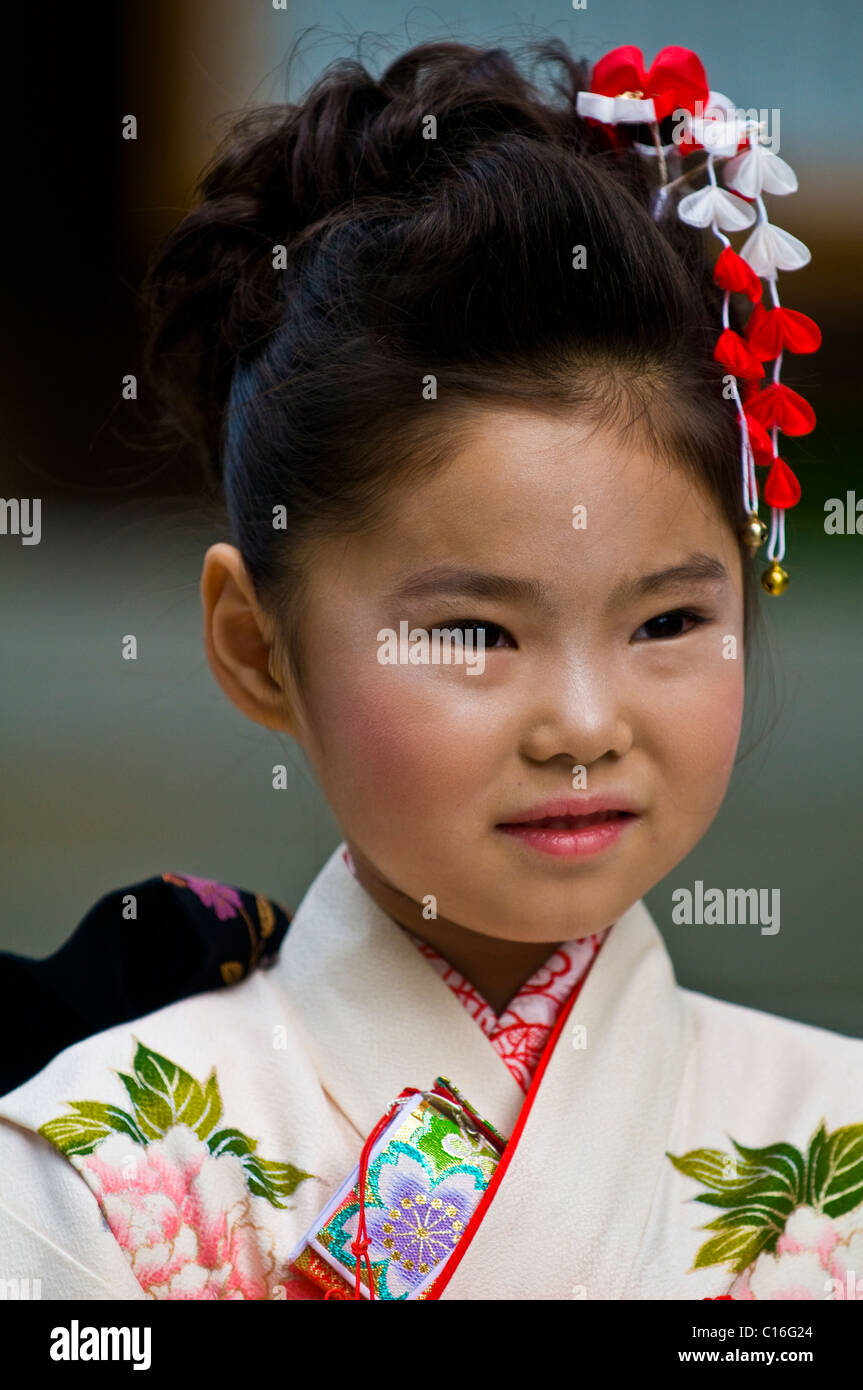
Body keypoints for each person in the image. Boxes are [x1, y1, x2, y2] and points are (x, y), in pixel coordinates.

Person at [1, 37, 860, 1302]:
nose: (582, 721)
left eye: (667, 622)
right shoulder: (96, 1171)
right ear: (258, 646)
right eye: (473, 634)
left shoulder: (831, 1135)